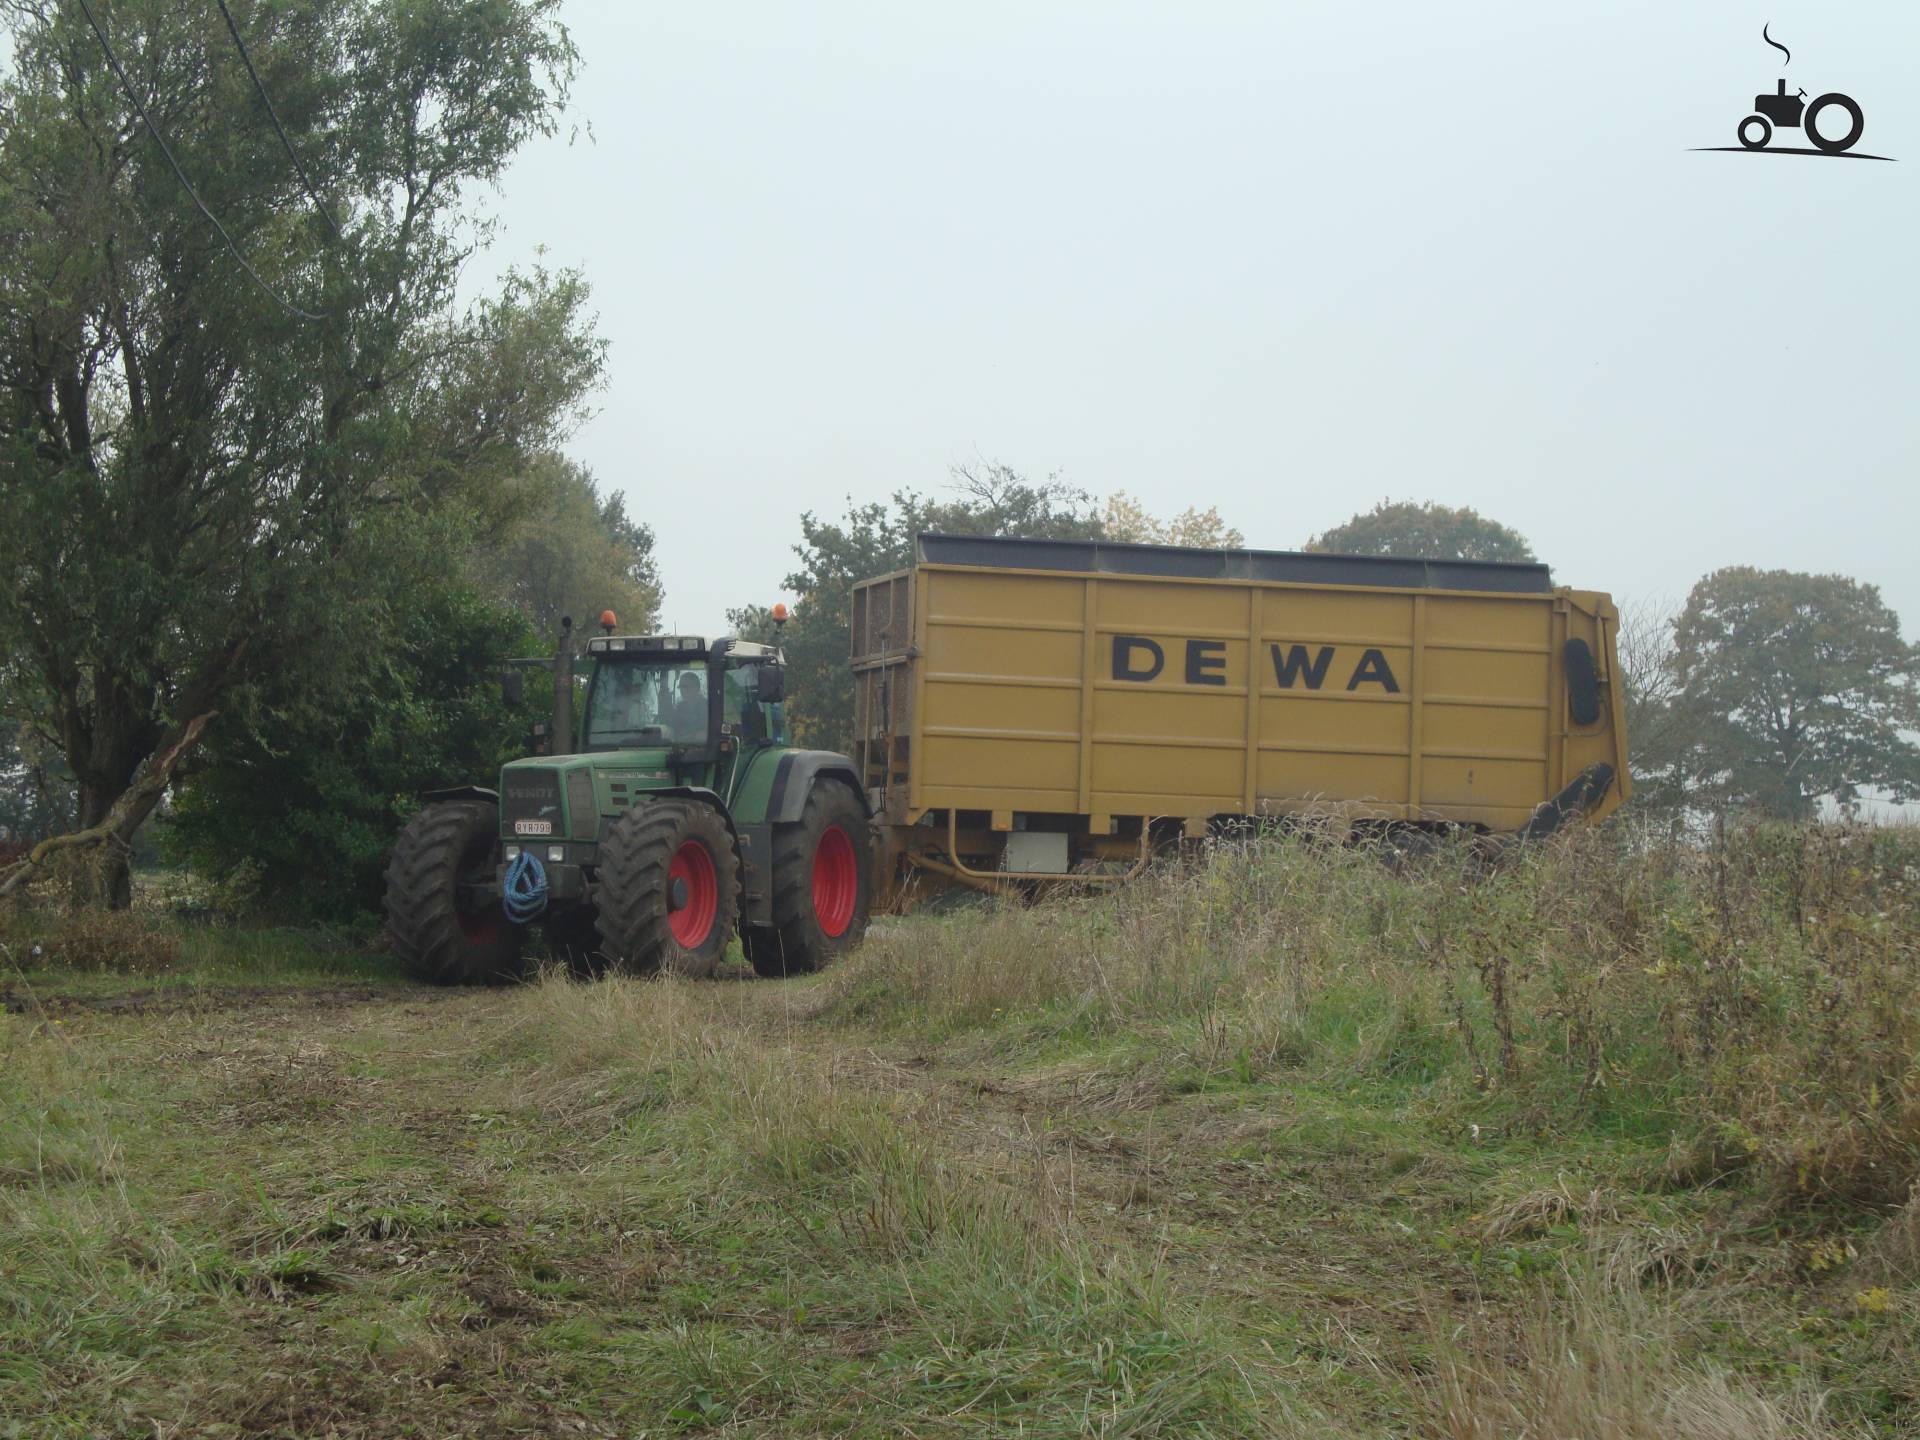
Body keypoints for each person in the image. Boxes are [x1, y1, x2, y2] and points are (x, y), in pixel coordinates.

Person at [665, 670, 706, 741]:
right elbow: (670, 729)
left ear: (697, 688)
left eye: (686, 687)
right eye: (681, 687)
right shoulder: (679, 707)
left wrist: (690, 736)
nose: (683, 690)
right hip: (678, 747)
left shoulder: (707, 707)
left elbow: (704, 734)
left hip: (701, 748)